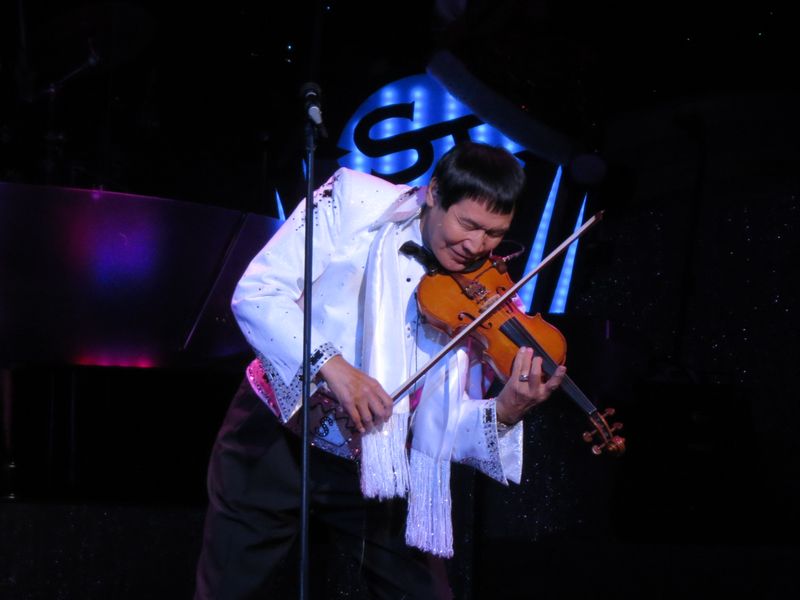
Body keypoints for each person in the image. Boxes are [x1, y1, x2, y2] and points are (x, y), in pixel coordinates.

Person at [194, 141, 566, 599]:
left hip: (380, 462)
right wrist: (333, 366)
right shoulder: (353, 201)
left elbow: (442, 429)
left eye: (494, 234)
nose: (476, 247)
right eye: (467, 224)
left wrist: (506, 411)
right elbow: (257, 294)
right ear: (433, 193)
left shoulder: (490, 298)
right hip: (275, 438)